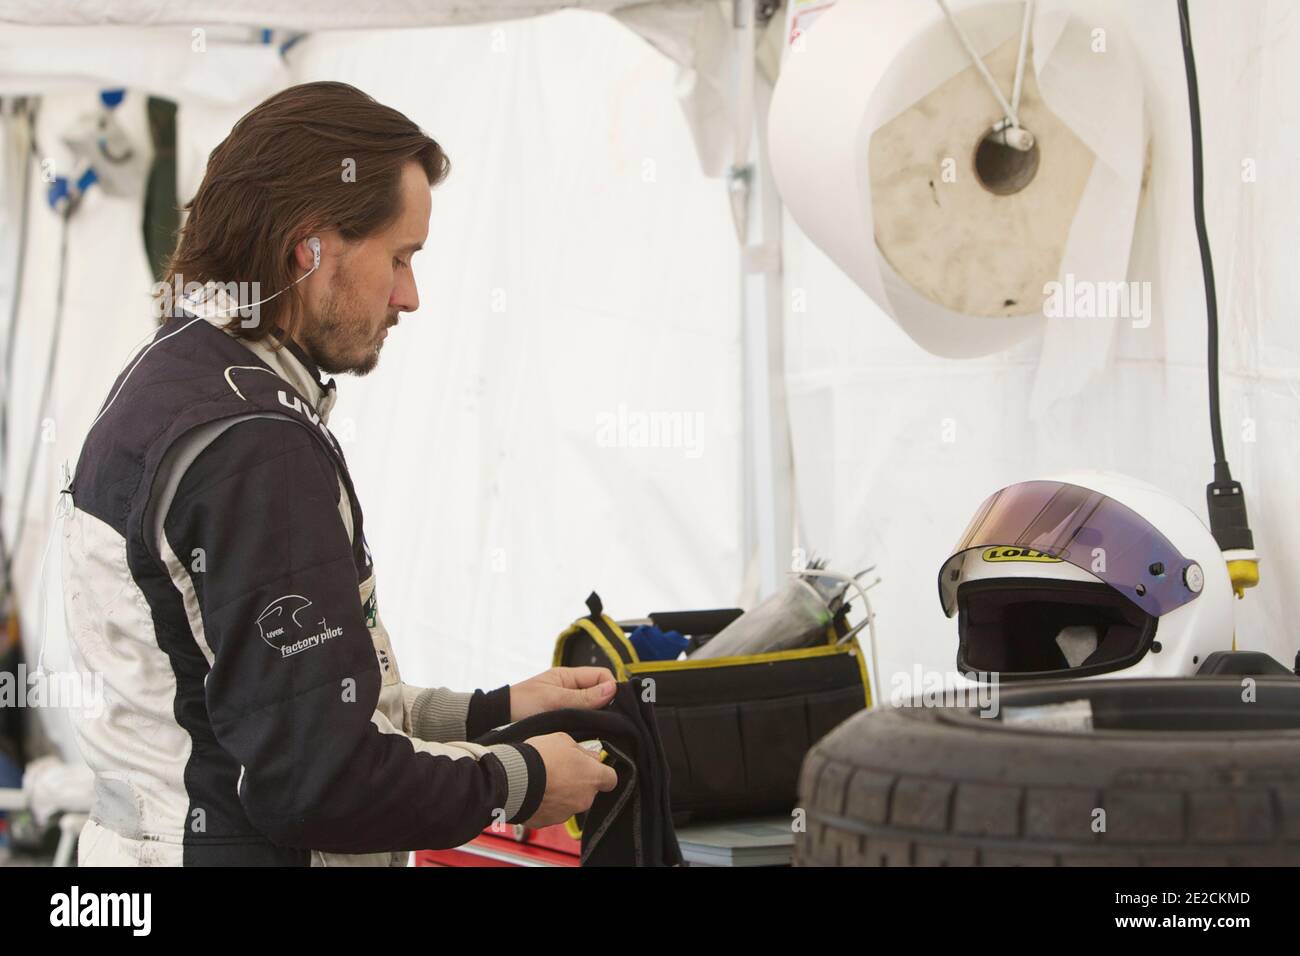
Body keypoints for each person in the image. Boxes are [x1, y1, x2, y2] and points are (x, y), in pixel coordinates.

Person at [62, 81, 617, 866]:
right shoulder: (251, 445)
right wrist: (517, 779)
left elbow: (303, 710)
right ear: (311, 245)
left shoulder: (171, 377)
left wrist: (494, 711)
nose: (410, 297)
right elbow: (319, 781)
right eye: (400, 257)